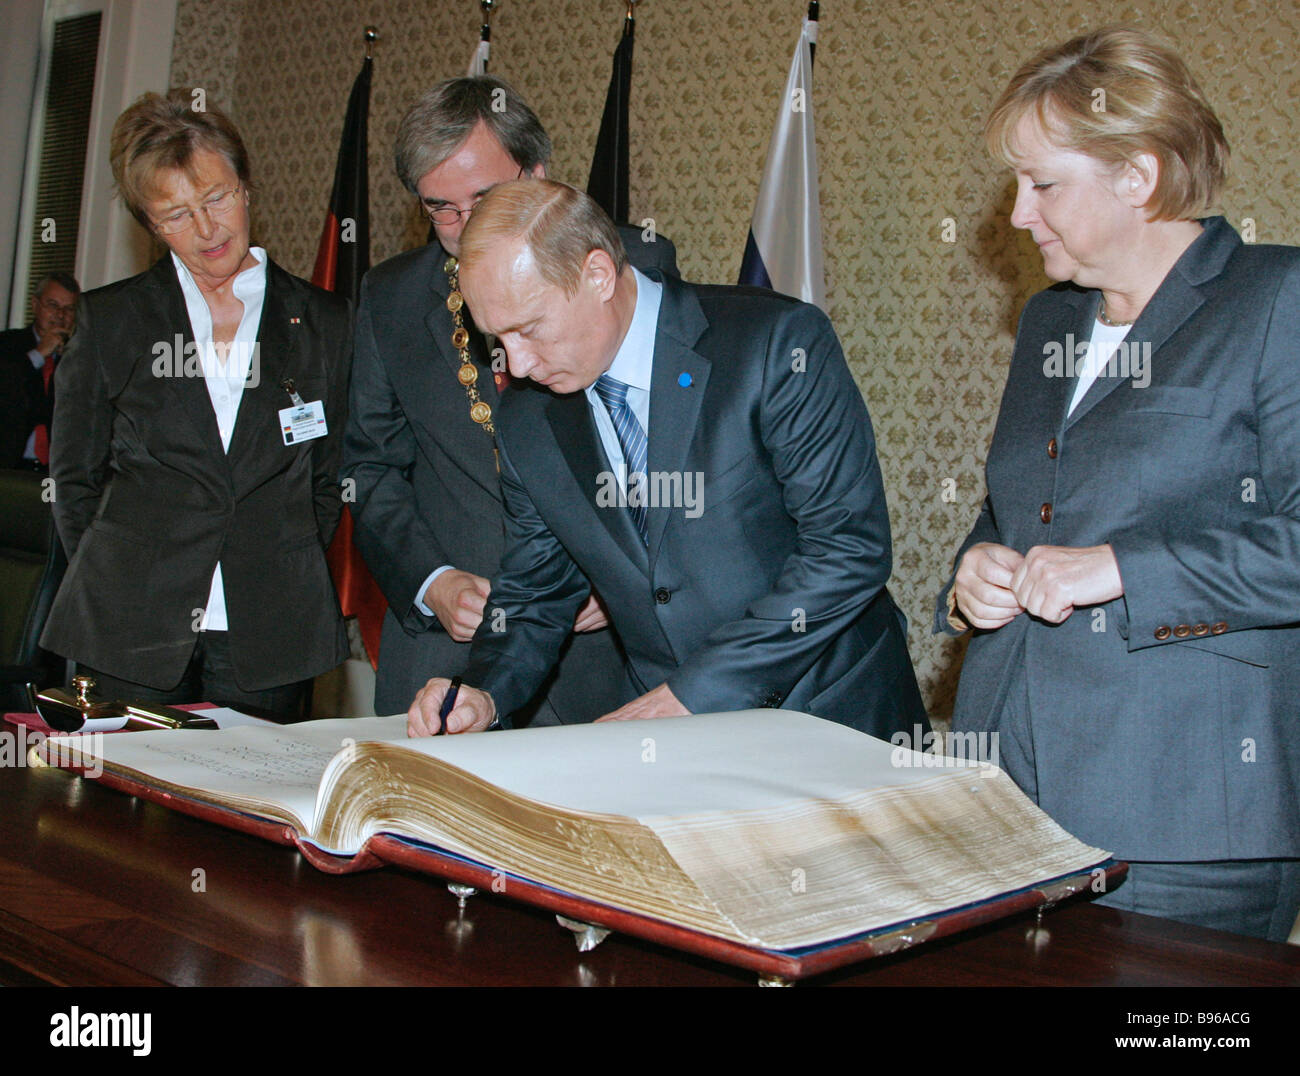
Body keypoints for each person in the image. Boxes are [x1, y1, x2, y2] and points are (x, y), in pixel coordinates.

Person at [936, 26, 1300, 941]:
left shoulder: (1274, 300)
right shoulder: (1048, 321)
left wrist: (1123, 567)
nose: (1019, 213)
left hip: (1184, 821)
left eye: (1043, 184)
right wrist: (977, 565)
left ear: (1138, 176)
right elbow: (1024, 506)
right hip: (1004, 799)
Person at [407, 178, 928, 740]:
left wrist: (695, 693)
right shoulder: (527, 420)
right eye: (497, 340)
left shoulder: (776, 344)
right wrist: (483, 689)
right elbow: (536, 591)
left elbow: (848, 549)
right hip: (669, 744)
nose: (520, 364)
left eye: (529, 329)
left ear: (598, 274)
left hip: (831, 714)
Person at [341, 76, 676, 721]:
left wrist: (623, 574)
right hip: (445, 657)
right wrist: (432, 582)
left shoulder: (634, 265)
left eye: (485, 198)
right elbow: (369, 469)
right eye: (442, 209)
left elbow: (673, 449)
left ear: (538, 172)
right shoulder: (390, 298)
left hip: (598, 653)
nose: (466, 227)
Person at [40, 89, 350, 718]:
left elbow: (330, 479)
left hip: (270, 630)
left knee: (252, 811)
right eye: (176, 215)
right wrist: (121, 580)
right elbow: (73, 479)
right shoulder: (111, 319)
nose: (207, 230)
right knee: (122, 813)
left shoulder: (325, 321)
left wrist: (275, 562)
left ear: (246, 188)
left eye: (216, 199)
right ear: (150, 225)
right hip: (131, 627)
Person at [0, 272, 79, 470]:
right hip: (9, 467)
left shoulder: (79, 359)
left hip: (56, 473)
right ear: (35, 305)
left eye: (69, 309)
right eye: (52, 305)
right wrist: (39, 353)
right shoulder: (8, 343)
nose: (60, 315)